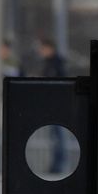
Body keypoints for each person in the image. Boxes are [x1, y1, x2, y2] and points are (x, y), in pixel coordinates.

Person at [36, 37, 68, 172]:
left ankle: (59, 165)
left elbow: (55, 81)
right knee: (55, 136)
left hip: (57, 103)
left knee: (58, 136)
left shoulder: (55, 63)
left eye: (43, 49)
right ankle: (57, 164)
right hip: (55, 103)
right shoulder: (52, 63)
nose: (41, 52)